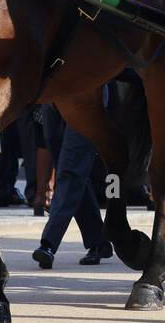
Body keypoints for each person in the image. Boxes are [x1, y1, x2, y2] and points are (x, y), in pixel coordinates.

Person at [31, 103, 113, 269]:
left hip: (85, 93)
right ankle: (97, 240)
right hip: (53, 98)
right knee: (73, 172)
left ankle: (48, 243)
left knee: (70, 171)